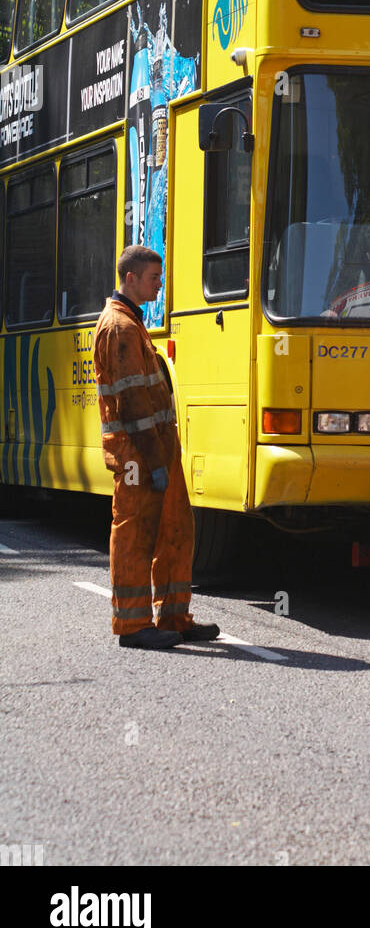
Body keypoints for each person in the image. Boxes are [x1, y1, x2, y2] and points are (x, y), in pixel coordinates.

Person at [93, 245, 220, 650]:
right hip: (138, 455)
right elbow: (131, 404)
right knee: (135, 534)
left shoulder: (132, 323)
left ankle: (175, 617)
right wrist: (153, 460)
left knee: (176, 531)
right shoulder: (120, 328)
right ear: (130, 278)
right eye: (153, 278)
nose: (159, 284)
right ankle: (132, 626)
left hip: (156, 452)